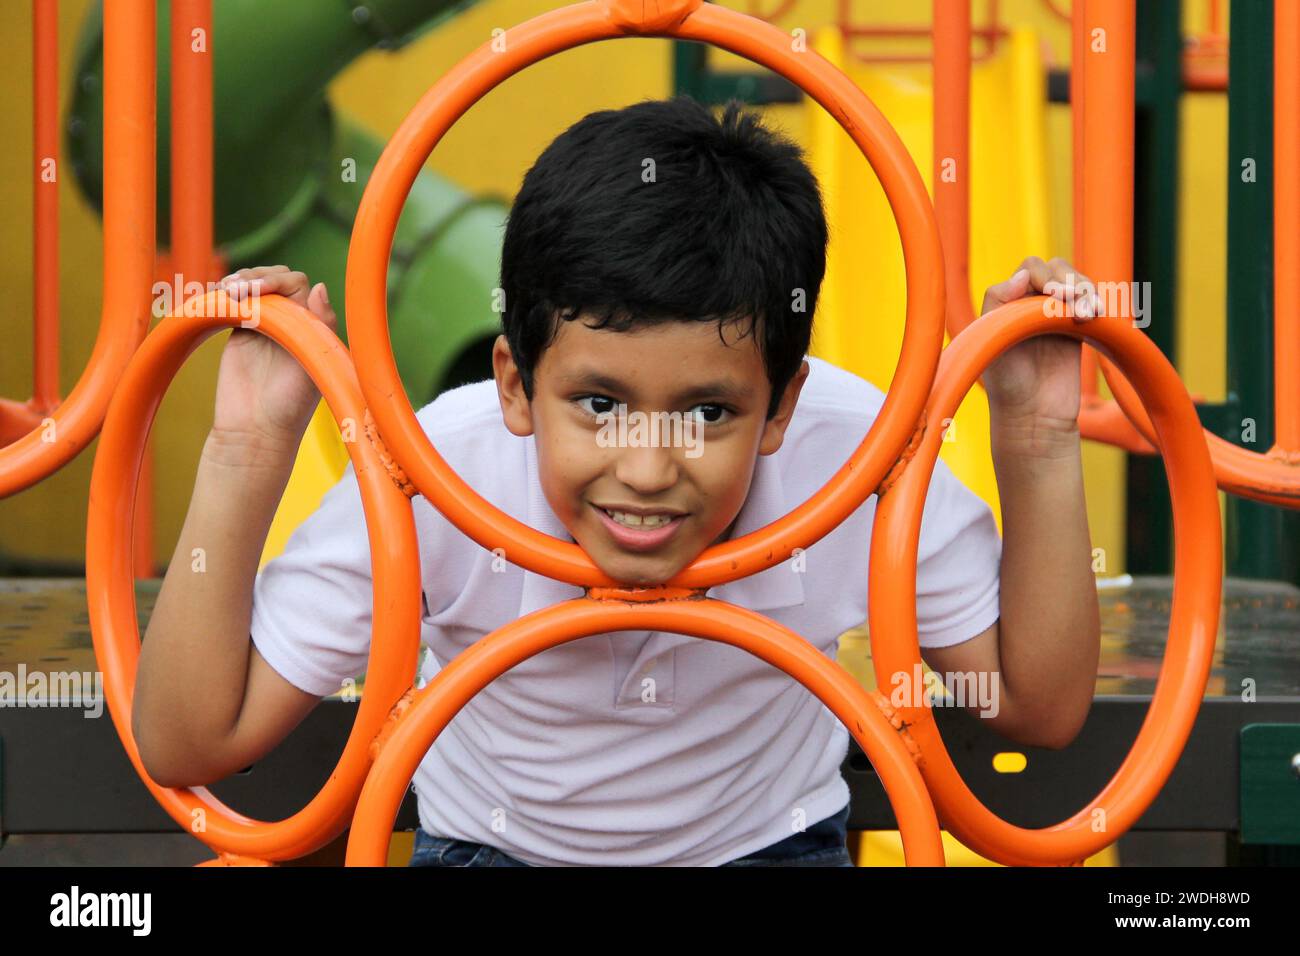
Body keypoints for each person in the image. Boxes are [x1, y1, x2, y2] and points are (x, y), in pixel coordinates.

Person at [133, 95, 1101, 867]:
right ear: (515, 383)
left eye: (709, 413)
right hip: (493, 849)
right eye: (597, 402)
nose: (645, 467)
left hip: (763, 849)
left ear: (778, 410)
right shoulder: (441, 468)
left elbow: (1035, 703)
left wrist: (1034, 434)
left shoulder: (849, 452)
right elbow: (190, 738)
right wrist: (246, 449)